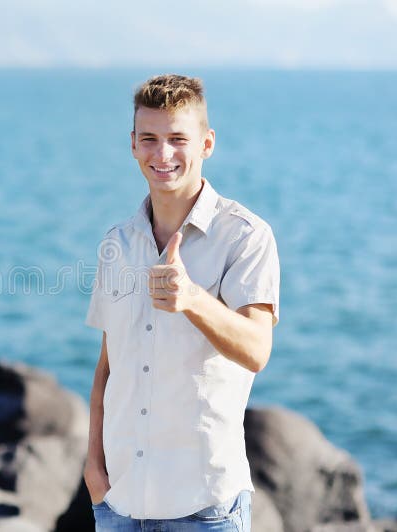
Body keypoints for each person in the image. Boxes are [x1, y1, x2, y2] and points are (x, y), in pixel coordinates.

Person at [83, 74, 280, 531]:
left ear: (207, 143)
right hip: (119, 507)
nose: (163, 154)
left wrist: (192, 299)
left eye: (178, 139)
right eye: (149, 139)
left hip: (205, 510)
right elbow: (107, 368)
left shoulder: (245, 238)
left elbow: (256, 349)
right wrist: (94, 468)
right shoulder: (117, 243)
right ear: (133, 145)